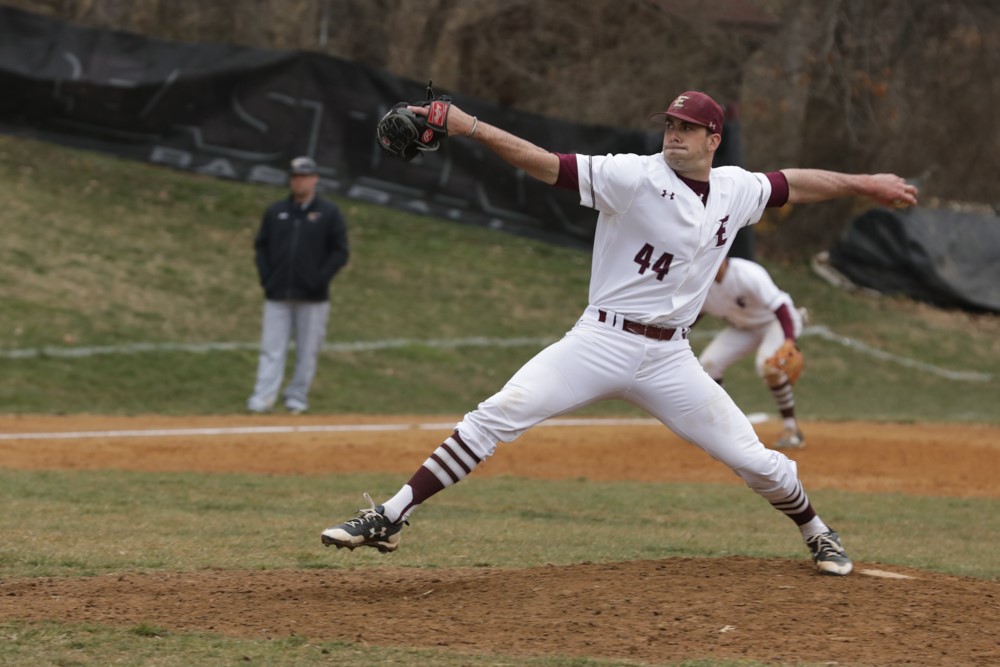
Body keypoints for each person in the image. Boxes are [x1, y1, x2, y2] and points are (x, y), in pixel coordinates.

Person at [321, 91, 917, 575]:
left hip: (671, 358)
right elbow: (548, 166)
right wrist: (471, 126)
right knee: (500, 412)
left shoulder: (735, 188)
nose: (674, 133)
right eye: (670, 124)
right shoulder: (632, 176)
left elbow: (797, 183)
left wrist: (866, 183)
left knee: (759, 463)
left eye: (688, 127)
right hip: (600, 341)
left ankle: (817, 532)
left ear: (713, 139)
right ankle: (391, 515)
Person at [247, 156, 350, 415]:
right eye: (295, 177)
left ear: (315, 178)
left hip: (313, 297)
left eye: (304, 176)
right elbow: (261, 247)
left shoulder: (328, 213)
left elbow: (340, 252)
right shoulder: (276, 211)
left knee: (307, 351)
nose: (299, 181)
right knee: (272, 349)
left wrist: (319, 279)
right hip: (277, 293)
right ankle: (262, 399)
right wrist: (267, 278)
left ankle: (297, 397)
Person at [697, 256, 808, 449]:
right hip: (743, 328)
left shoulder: (747, 274)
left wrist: (789, 340)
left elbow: (780, 308)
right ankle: (723, 429)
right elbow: (692, 317)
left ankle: (792, 429)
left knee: (768, 366)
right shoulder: (702, 283)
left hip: (774, 322)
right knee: (708, 363)